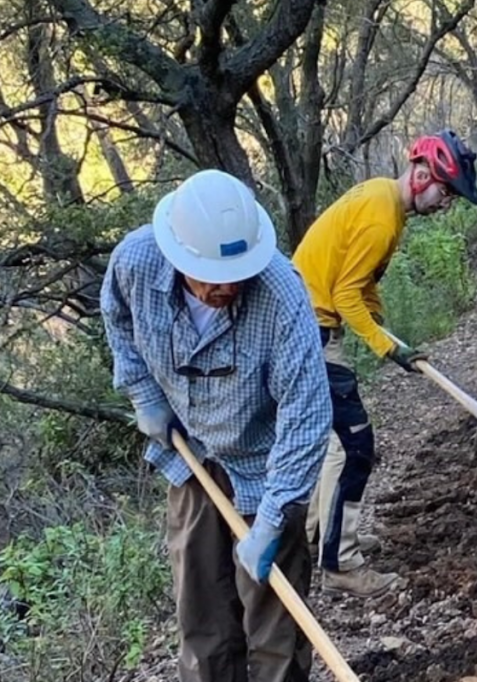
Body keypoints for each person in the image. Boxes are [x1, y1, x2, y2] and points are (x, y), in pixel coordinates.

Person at [100, 168, 332, 682]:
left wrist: (271, 520)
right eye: (210, 275)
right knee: (202, 615)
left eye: (237, 273)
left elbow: (307, 413)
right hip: (190, 458)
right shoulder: (136, 262)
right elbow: (116, 317)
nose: (226, 286)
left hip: (265, 466)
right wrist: (142, 392)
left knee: (275, 624)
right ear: (179, 253)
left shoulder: (281, 294)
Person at [293, 129, 477, 598]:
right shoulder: (382, 217)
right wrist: (387, 347)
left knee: (335, 443)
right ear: (420, 175)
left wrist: (377, 314)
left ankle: (321, 536)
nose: (446, 204)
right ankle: (340, 563)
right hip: (309, 331)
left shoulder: (384, 201)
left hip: (308, 323)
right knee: (355, 445)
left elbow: (358, 284)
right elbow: (343, 295)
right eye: (445, 191)